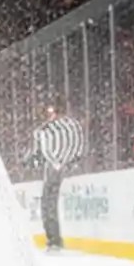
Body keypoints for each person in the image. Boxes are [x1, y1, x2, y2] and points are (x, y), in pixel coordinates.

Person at [25, 105, 85, 251]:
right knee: (49, 201)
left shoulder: (45, 132)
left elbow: (44, 150)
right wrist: (72, 161)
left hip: (55, 166)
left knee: (48, 202)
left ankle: (54, 239)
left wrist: (53, 162)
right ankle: (54, 238)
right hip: (64, 163)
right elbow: (79, 145)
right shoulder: (73, 125)